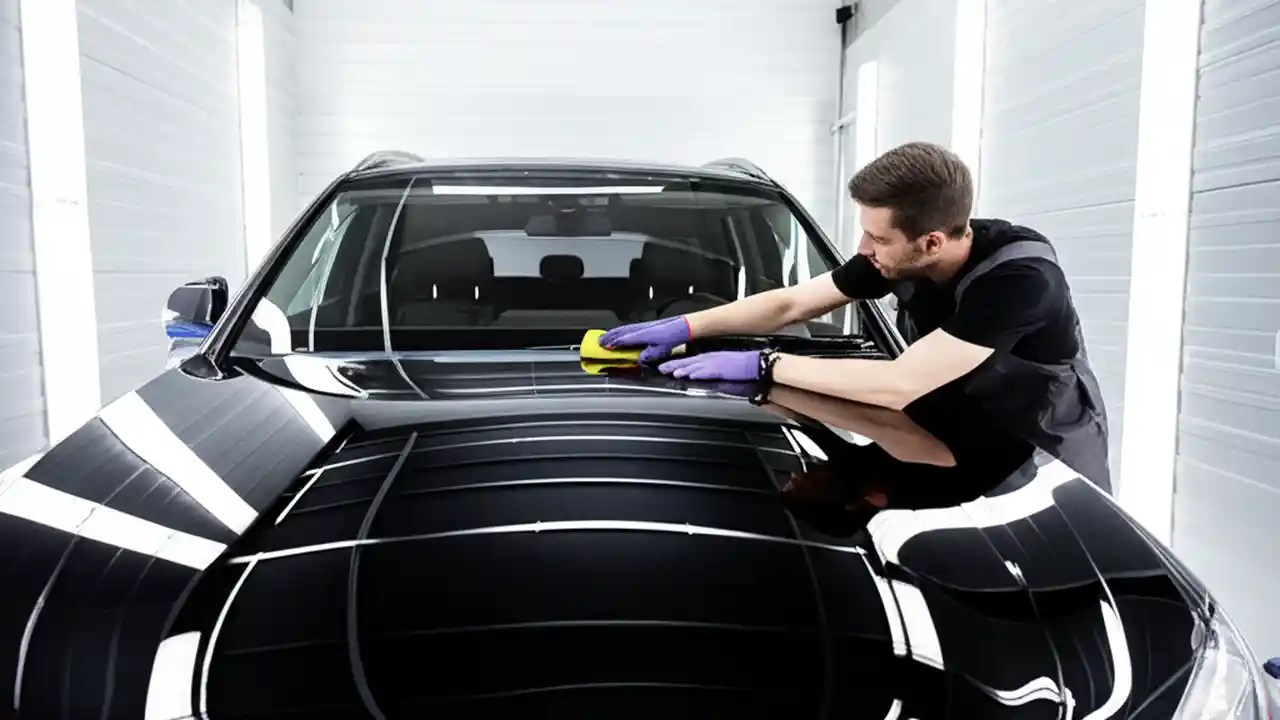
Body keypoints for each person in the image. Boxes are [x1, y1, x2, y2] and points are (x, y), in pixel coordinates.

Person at [599, 141, 1111, 491]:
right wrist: (689, 325)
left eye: (879, 237)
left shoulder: (1021, 281)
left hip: (1039, 460)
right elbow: (791, 304)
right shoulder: (900, 253)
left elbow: (897, 385)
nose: (864, 248)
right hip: (947, 439)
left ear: (931, 242)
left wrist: (764, 366)